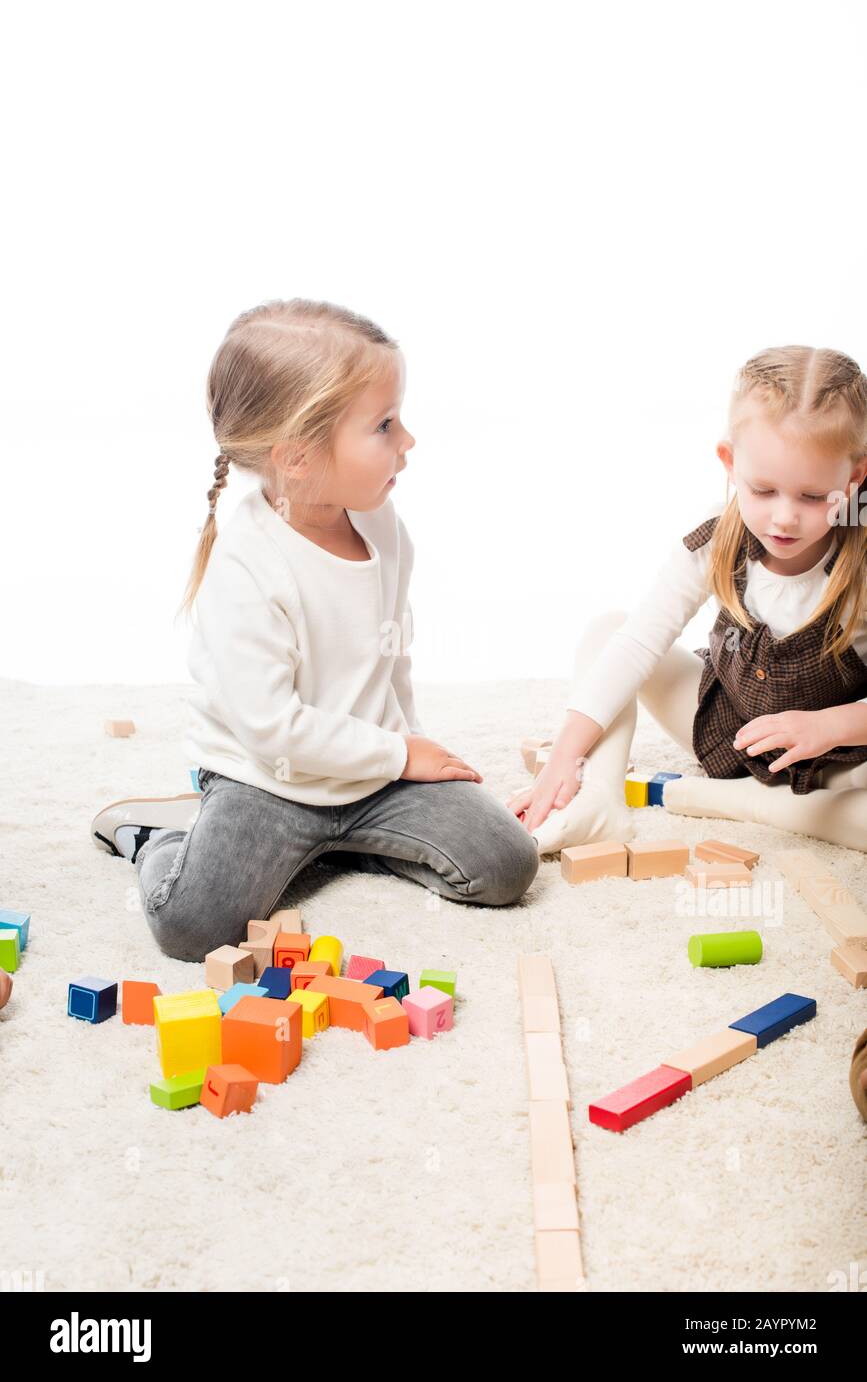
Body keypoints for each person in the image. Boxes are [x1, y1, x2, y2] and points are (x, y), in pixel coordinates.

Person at [91, 299, 538, 961]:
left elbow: (391, 656)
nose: (407, 442)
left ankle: (338, 846)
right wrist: (399, 756)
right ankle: (164, 838)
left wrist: (407, 746)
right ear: (296, 457)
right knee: (192, 927)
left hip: (372, 774)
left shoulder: (382, 524)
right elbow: (272, 728)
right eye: (384, 425)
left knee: (505, 866)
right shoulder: (246, 565)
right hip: (266, 779)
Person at [508, 345, 867, 856]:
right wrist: (567, 754)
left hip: (837, 756)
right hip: (728, 731)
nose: (784, 518)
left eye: (812, 497)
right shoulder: (717, 540)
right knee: (610, 628)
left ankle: (753, 803)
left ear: (853, 480)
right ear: (729, 463)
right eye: (763, 490)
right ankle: (603, 797)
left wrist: (829, 725)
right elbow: (639, 643)